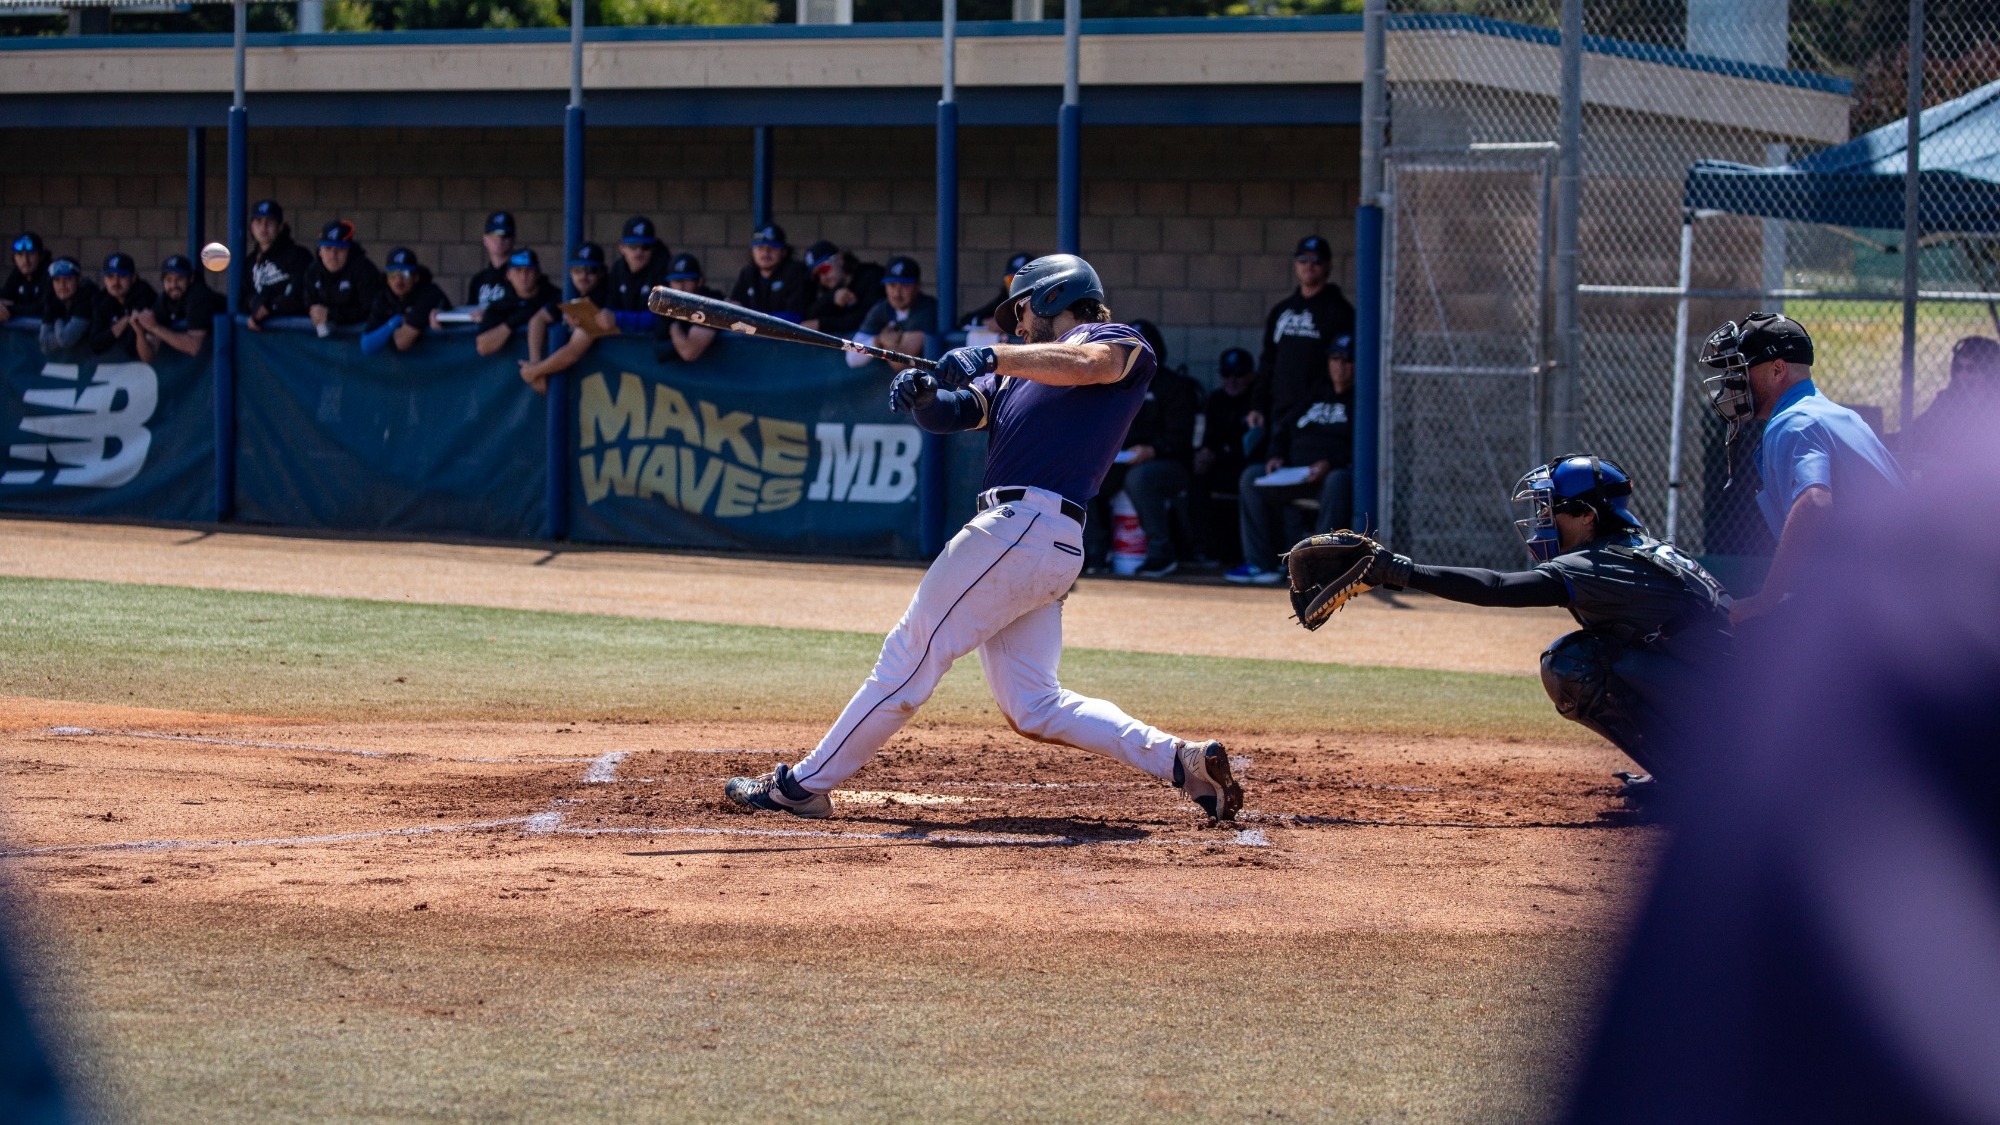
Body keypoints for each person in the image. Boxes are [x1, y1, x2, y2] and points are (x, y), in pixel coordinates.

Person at [723, 253, 1243, 823]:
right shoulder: (1018, 376)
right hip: (1038, 544)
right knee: (1035, 705)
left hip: (1024, 530)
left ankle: (801, 786)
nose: (1016, 324)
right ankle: (1182, 761)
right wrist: (925, 397)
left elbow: (1089, 362)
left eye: (1021, 309)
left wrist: (990, 354)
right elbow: (955, 412)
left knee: (909, 654)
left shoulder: (1115, 341)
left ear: (1050, 298)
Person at [1336, 455, 1730, 796]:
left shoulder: (1597, 563)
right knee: (1603, 651)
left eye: (1551, 509)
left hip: (1739, 709)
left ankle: (1697, 784)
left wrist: (1398, 571)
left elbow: (1498, 588)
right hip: (1747, 698)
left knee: (1576, 663)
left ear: (1586, 516)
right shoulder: (1635, 549)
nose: (1542, 519)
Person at [1697, 312, 1905, 627]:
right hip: (1905, 590)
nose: (1731, 381)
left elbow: (1815, 502)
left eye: (1740, 371)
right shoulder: (1837, 415)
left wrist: (1767, 598)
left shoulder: (1794, 422)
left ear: (1777, 369)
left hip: (1878, 603)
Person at [1227, 334, 1357, 584]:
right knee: (1252, 477)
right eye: (1335, 358)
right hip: (1293, 473)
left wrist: (1329, 463)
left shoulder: (1359, 401)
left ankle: (1320, 567)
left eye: (1347, 360)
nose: (1340, 365)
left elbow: (1359, 447)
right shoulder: (1313, 394)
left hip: (1325, 478)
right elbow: (1283, 430)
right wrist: (1275, 456)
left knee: (1339, 480)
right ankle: (1260, 564)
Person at [1085, 318, 1200, 577]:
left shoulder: (1174, 387)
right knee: (1086, 477)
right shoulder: (1116, 387)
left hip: (1168, 464)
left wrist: (1152, 450)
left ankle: (1162, 553)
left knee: (1141, 478)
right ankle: (1094, 553)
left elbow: (1181, 440)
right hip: (1122, 461)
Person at [1250, 234, 1355, 433]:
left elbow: (1346, 365)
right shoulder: (1281, 311)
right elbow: (1268, 361)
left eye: (1316, 260)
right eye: (1303, 260)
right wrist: (1258, 405)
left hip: (1317, 413)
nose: (1309, 265)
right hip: (1280, 411)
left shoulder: (1341, 311)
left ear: (1328, 265)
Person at [519, 242, 649, 392]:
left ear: (601, 272)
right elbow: (538, 320)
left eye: (590, 270)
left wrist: (535, 371)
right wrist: (535, 360)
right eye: (577, 270)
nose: (583, 276)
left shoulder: (606, 298)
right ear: (570, 271)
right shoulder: (570, 292)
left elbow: (574, 351)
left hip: (620, 380)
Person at [1190, 346, 1260, 565]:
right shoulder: (1215, 401)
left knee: (1248, 480)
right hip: (1219, 464)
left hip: (1247, 464)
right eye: (1227, 374)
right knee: (1195, 482)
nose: (1232, 380)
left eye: (1239, 374)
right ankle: (1205, 550)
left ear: (1250, 375)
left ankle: (1249, 556)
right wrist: (1203, 453)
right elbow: (1205, 440)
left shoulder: (1257, 402)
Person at [1906, 335, 2000, 469]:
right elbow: (1919, 430)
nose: (1964, 375)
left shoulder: (1996, 403)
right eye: (1959, 368)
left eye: (1971, 369)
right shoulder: (1948, 400)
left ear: (1988, 371)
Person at [848, 256, 936, 373]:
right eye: (892, 285)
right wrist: (878, 341)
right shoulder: (882, 308)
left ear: (917, 286)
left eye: (905, 286)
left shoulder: (926, 308)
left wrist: (889, 345)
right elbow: (852, 358)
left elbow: (901, 364)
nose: (897, 293)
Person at [360, 247, 450, 356]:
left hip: (440, 359)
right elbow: (367, 346)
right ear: (387, 278)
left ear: (416, 277)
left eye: (405, 273)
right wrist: (395, 322)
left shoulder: (429, 294)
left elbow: (401, 342)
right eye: (393, 274)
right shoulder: (384, 297)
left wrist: (385, 333)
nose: (398, 280)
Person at [241, 199, 312, 332]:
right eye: (258, 221)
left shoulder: (298, 255)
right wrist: (255, 304)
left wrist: (269, 307)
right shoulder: (249, 261)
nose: (263, 227)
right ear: (251, 226)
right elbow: (244, 296)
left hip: (295, 334)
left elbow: (299, 295)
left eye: (270, 222)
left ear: (280, 226)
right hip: (260, 338)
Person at [475, 248, 559, 358]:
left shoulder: (554, 296)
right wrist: (513, 321)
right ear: (508, 275)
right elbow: (483, 346)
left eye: (529, 270)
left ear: (538, 273)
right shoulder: (501, 305)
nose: (523, 276)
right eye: (518, 270)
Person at [303, 220, 381, 338]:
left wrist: (332, 315)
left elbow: (370, 309)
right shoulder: (313, 271)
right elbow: (307, 301)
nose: (333, 255)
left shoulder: (364, 270)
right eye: (328, 248)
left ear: (348, 251)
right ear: (320, 251)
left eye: (340, 249)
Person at [133, 254, 217, 361]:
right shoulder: (163, 300)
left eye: (179, 279)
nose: (173, 285)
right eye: (168, 280)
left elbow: (194, 347)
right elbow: (148, 357)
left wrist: (155, 327)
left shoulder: (199, 296)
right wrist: (140, 333)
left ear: (190, 279)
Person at [727, 223, 813, 320]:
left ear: (784, 251)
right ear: (752, 251)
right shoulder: (747, 273)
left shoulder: (796, 271)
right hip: (752, 333)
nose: (766, 253)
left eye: (772, 248)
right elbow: (734, 306)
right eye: (760, 248)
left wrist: (751, 319)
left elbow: (795, 316)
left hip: (784, 334)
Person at [801, 240, 884, 337]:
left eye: (824, 269)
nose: (823, 278)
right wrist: (832, 297)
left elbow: (868, 319)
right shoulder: (829, 288)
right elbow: (810, 317)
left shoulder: (871, 276)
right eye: (817, 275)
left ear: (840, 259)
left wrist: (823, 324)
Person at [85, 252, 158, 361]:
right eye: (110, 277)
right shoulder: (102, 299)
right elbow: (95, 344)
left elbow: (131, 347)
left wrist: (111, 334)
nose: (115, 282)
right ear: (104, 280)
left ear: (133, 278)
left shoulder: (145, 295)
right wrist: (125, 321)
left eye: (122, 276)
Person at [653, 253, 723, 364]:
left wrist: (674, 327)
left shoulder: (711, 303)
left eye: (686, 281)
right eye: (676, 282)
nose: (681, 288)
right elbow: (659, 350)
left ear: (699, 281)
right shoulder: (669, 305)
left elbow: (688, 352)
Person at [605, 215, 667, 321]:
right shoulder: (617, 269)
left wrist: (619, 318)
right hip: (621, 335)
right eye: (633, 246)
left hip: (652, 336)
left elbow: (661, 317)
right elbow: (608, 307)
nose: (639, 252)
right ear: (622, 248)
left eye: (645, 247)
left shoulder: (663, 269)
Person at [36, 257, 97, 359]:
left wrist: (58, 318)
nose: (62, 285)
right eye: (57, 280)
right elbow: (44, 344)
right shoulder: (53, 299)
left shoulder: (88, 297)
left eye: (68, 279)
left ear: (79, 279)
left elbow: (65, 339)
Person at [960, 252, 1035, 333]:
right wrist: (986, 322)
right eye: (1010, 280)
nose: (1015, 286)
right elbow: (966, 320)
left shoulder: (1040, 299)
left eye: (1022, 281)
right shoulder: (1004, 300)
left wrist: (1010, 324)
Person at [465, 210, 517, 311]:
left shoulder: (521, 277)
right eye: (494, 235)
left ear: (513, 239)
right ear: (485, 239)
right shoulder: (478, 280)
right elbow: (469, 311)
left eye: (505, 235)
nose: (500, 240)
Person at [0, 231, 51, 323]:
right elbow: (4, 295)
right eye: (20, 254)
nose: (25, 260)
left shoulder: (51, 273)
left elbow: (45, 308)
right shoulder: (18, 272)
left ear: (41, 256)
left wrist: (9, 309)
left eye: (31, 254)